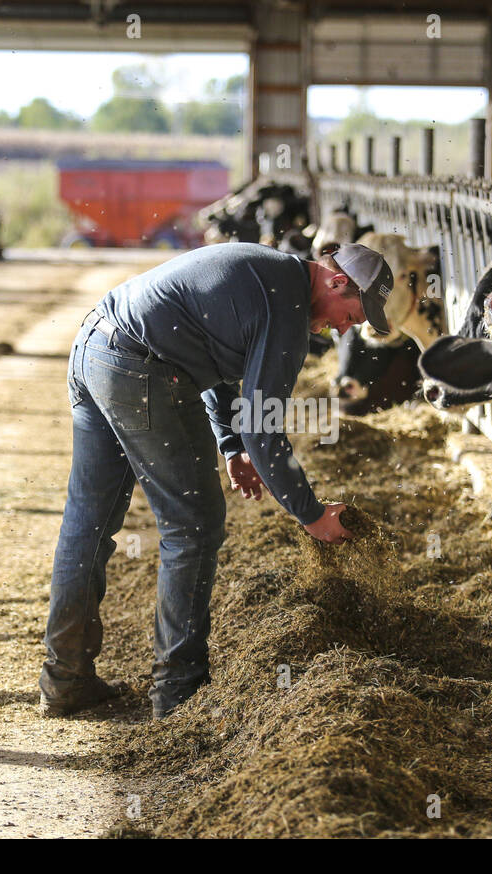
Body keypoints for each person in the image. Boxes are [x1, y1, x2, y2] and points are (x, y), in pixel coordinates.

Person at [41, 241, 395, 720]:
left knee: (90, 520)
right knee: (194, 524)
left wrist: (230, 444)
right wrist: (311, 515)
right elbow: (264, 425)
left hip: (96, 346)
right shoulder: (287, 309)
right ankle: (178, 694)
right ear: (336, 282)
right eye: (353, 314)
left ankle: (65, 680)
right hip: (140, 369)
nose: (344, 328)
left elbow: (219, 363)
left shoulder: (271, 276)